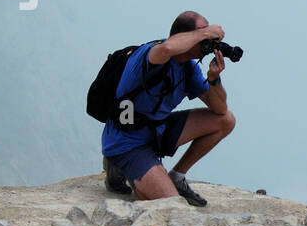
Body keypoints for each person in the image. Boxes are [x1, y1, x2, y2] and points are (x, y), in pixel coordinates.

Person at [100, 11, 236, 205]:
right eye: (202, 32)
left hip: (156, 131)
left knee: (226, 121)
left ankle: (177, 176)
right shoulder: (152, 53)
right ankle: (119, 165)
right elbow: (168, 48)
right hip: (127, 143)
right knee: (172, 204)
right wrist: (205, 33)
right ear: (185, 36)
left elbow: (220, 109)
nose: (208, 41)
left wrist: (214, 79)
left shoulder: (189, 68)